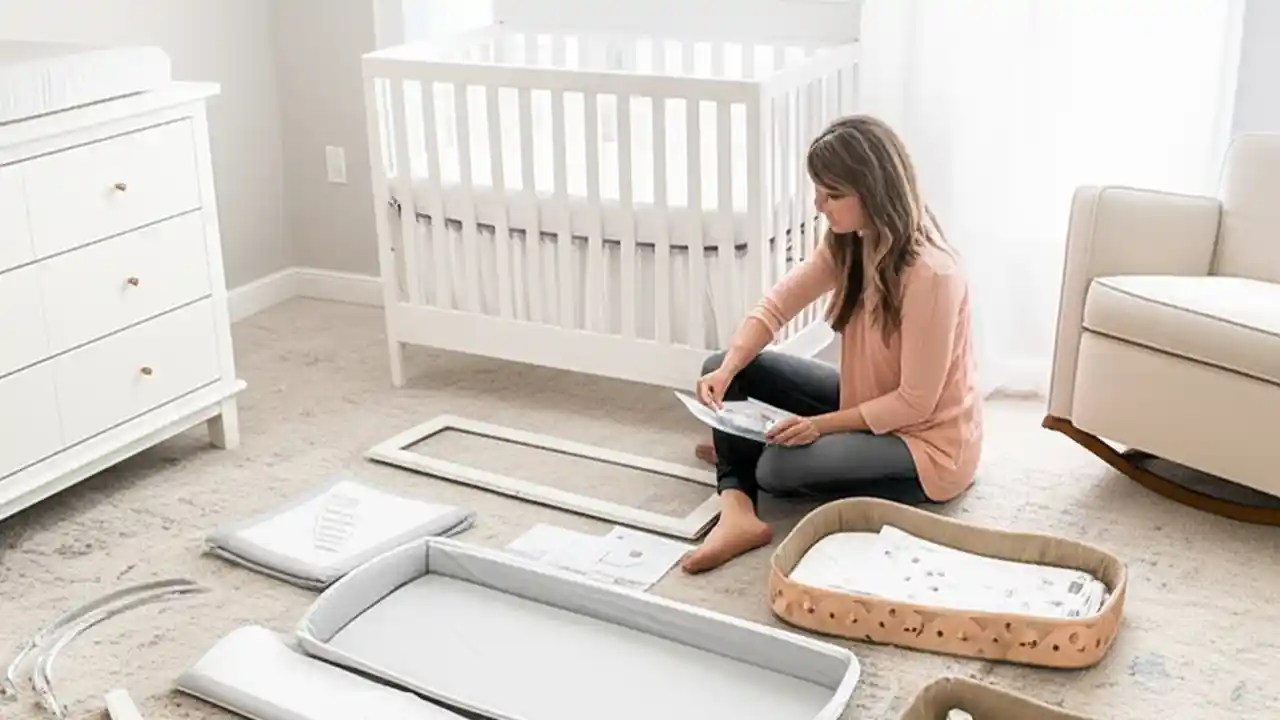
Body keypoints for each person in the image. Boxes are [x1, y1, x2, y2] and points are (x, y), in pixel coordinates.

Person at [679, 115, 982, 574]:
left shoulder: (932, 276)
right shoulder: (849, 244)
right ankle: (738, 511)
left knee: (775, 471)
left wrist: (820, 427)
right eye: (819, 190)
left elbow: (915, 404)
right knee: (722, 364)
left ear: (875, 192)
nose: (820, 205)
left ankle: (740, 456)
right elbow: (775, 307)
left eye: (833, 194)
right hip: (865, 402)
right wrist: (726, 372)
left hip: (925, 442)